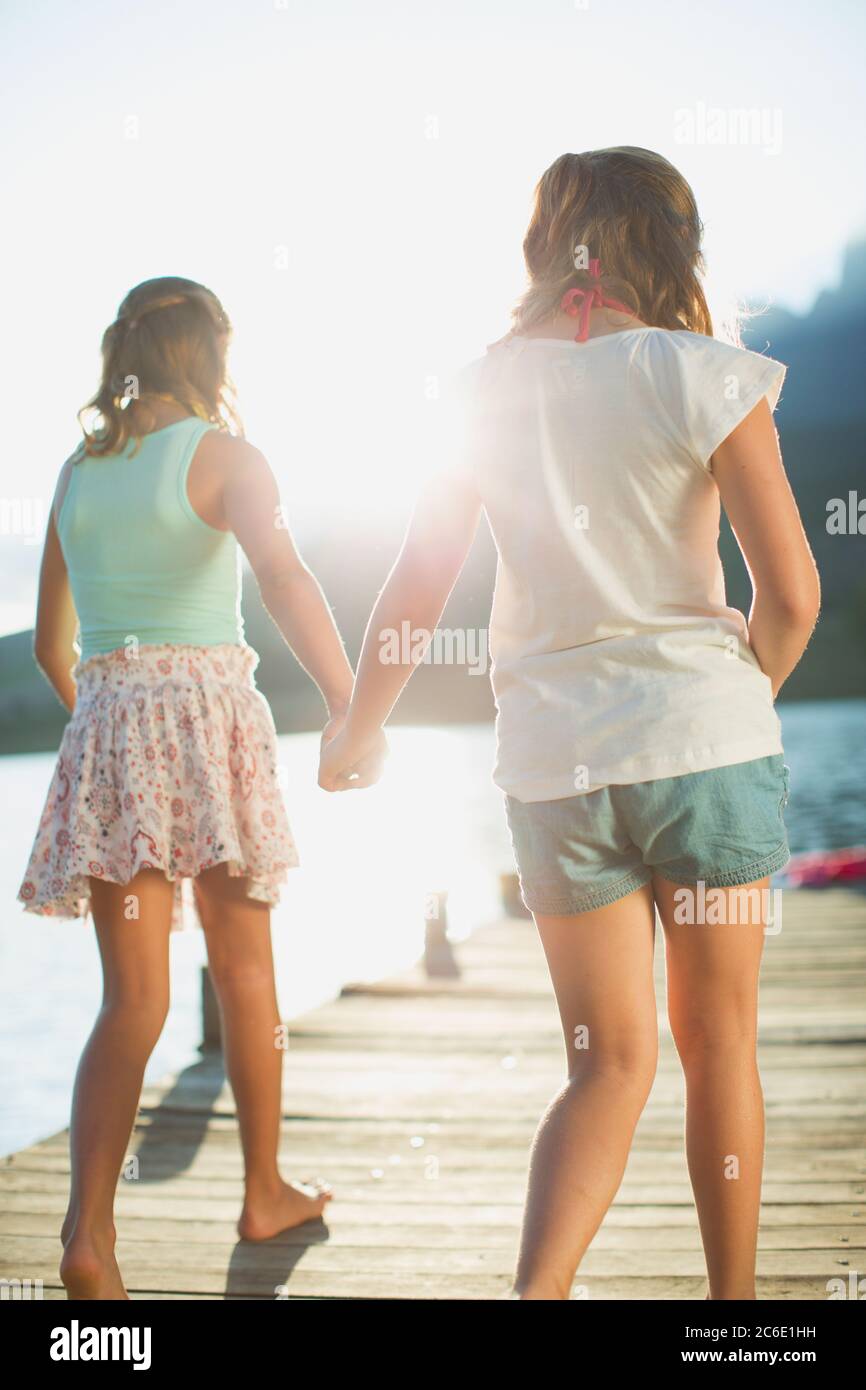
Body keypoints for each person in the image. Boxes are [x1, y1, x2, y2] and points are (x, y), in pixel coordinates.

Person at [318, 149, 820, 1300]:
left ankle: (535, 1296)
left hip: (554, 767)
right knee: (717, 1047)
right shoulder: (706, 373)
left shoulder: (477, 389)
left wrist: (357, 728)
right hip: (706, 745)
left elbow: (417, 584)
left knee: (603, 1066)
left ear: (548, 246)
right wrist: (730, 712)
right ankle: (731, 1321)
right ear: (670, 245)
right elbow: (787, 597)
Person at [19, 276, 382, 1299]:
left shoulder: (75, 474)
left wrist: (107, 728)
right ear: (208, 354)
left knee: (128, 1001)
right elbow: (283, 577)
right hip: (212, 722)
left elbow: (55, 644)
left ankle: (89, 1233)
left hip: (109, 719)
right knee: (248, 975)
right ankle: (263, 1187)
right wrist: (350, 702)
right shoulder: (226, 457)